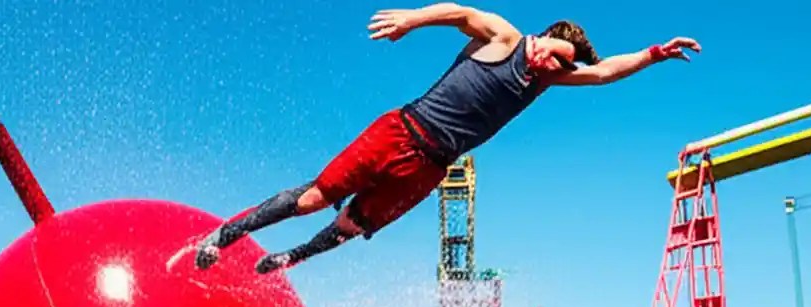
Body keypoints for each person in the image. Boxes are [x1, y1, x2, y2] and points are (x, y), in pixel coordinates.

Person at [192, 4, 700, 275]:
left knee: (350, 226)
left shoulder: (548, 79)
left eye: (563, 64)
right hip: (401, 131)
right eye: (553, 52)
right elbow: (459, 12)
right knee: (313, 199)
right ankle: (223, 236)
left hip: (431, 167)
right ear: (545, 36)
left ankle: (289, 259)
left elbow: (605, 72)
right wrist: (412, 20)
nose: (553, 64)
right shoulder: (504, 36)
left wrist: (655, 53)